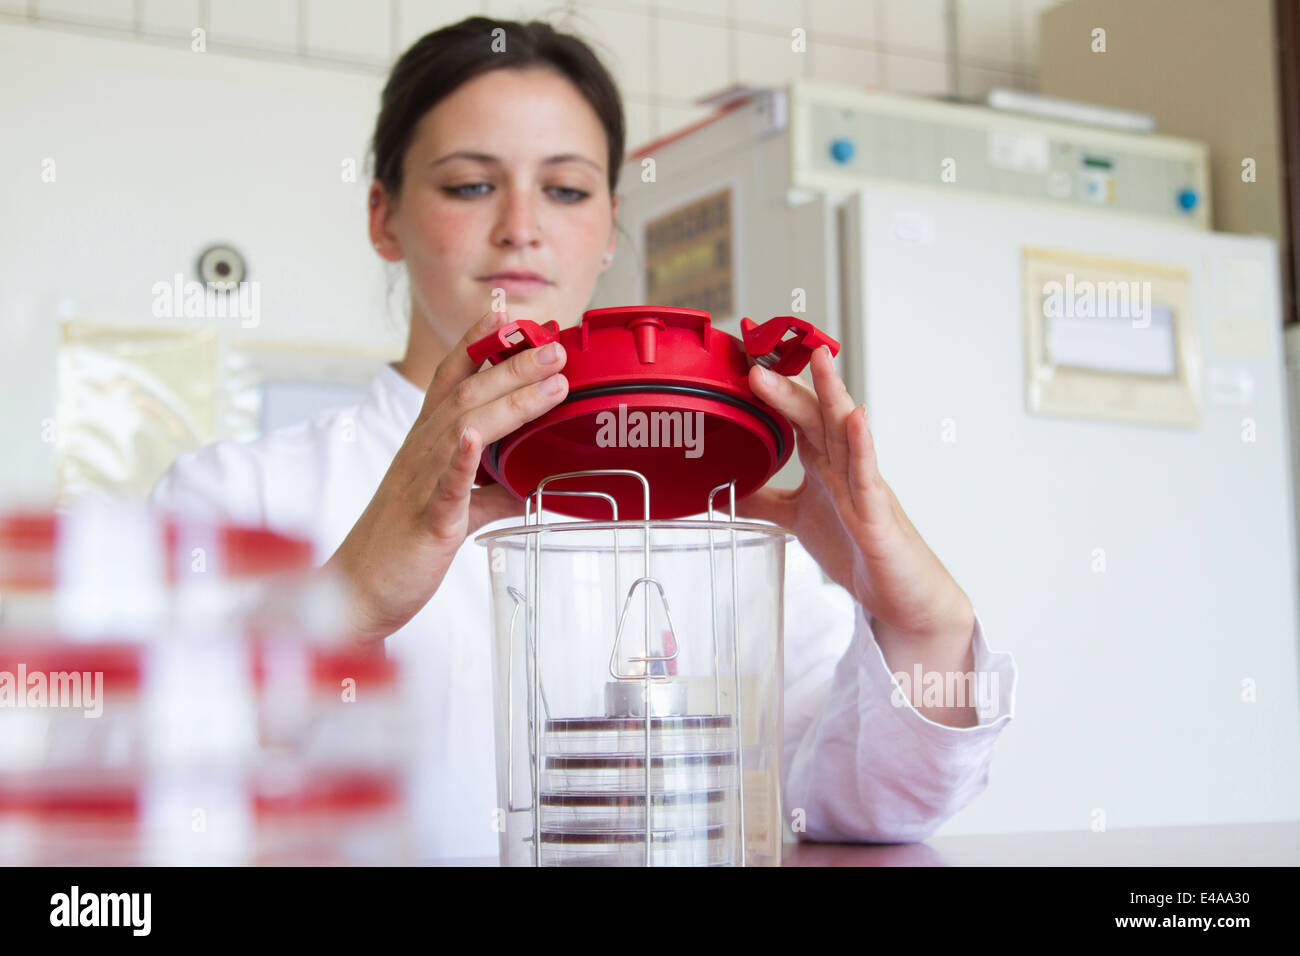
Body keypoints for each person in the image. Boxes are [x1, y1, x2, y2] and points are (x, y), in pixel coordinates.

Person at [148, 16, 1017, 861]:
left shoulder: (705, 501)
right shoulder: (235, 498)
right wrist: (348, 604)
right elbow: (154, 801)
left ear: (608, 232)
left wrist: (923, 623)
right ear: (383, 217)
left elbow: (863, 806)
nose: (521, 226)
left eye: (566, 190)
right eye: (469, 184)